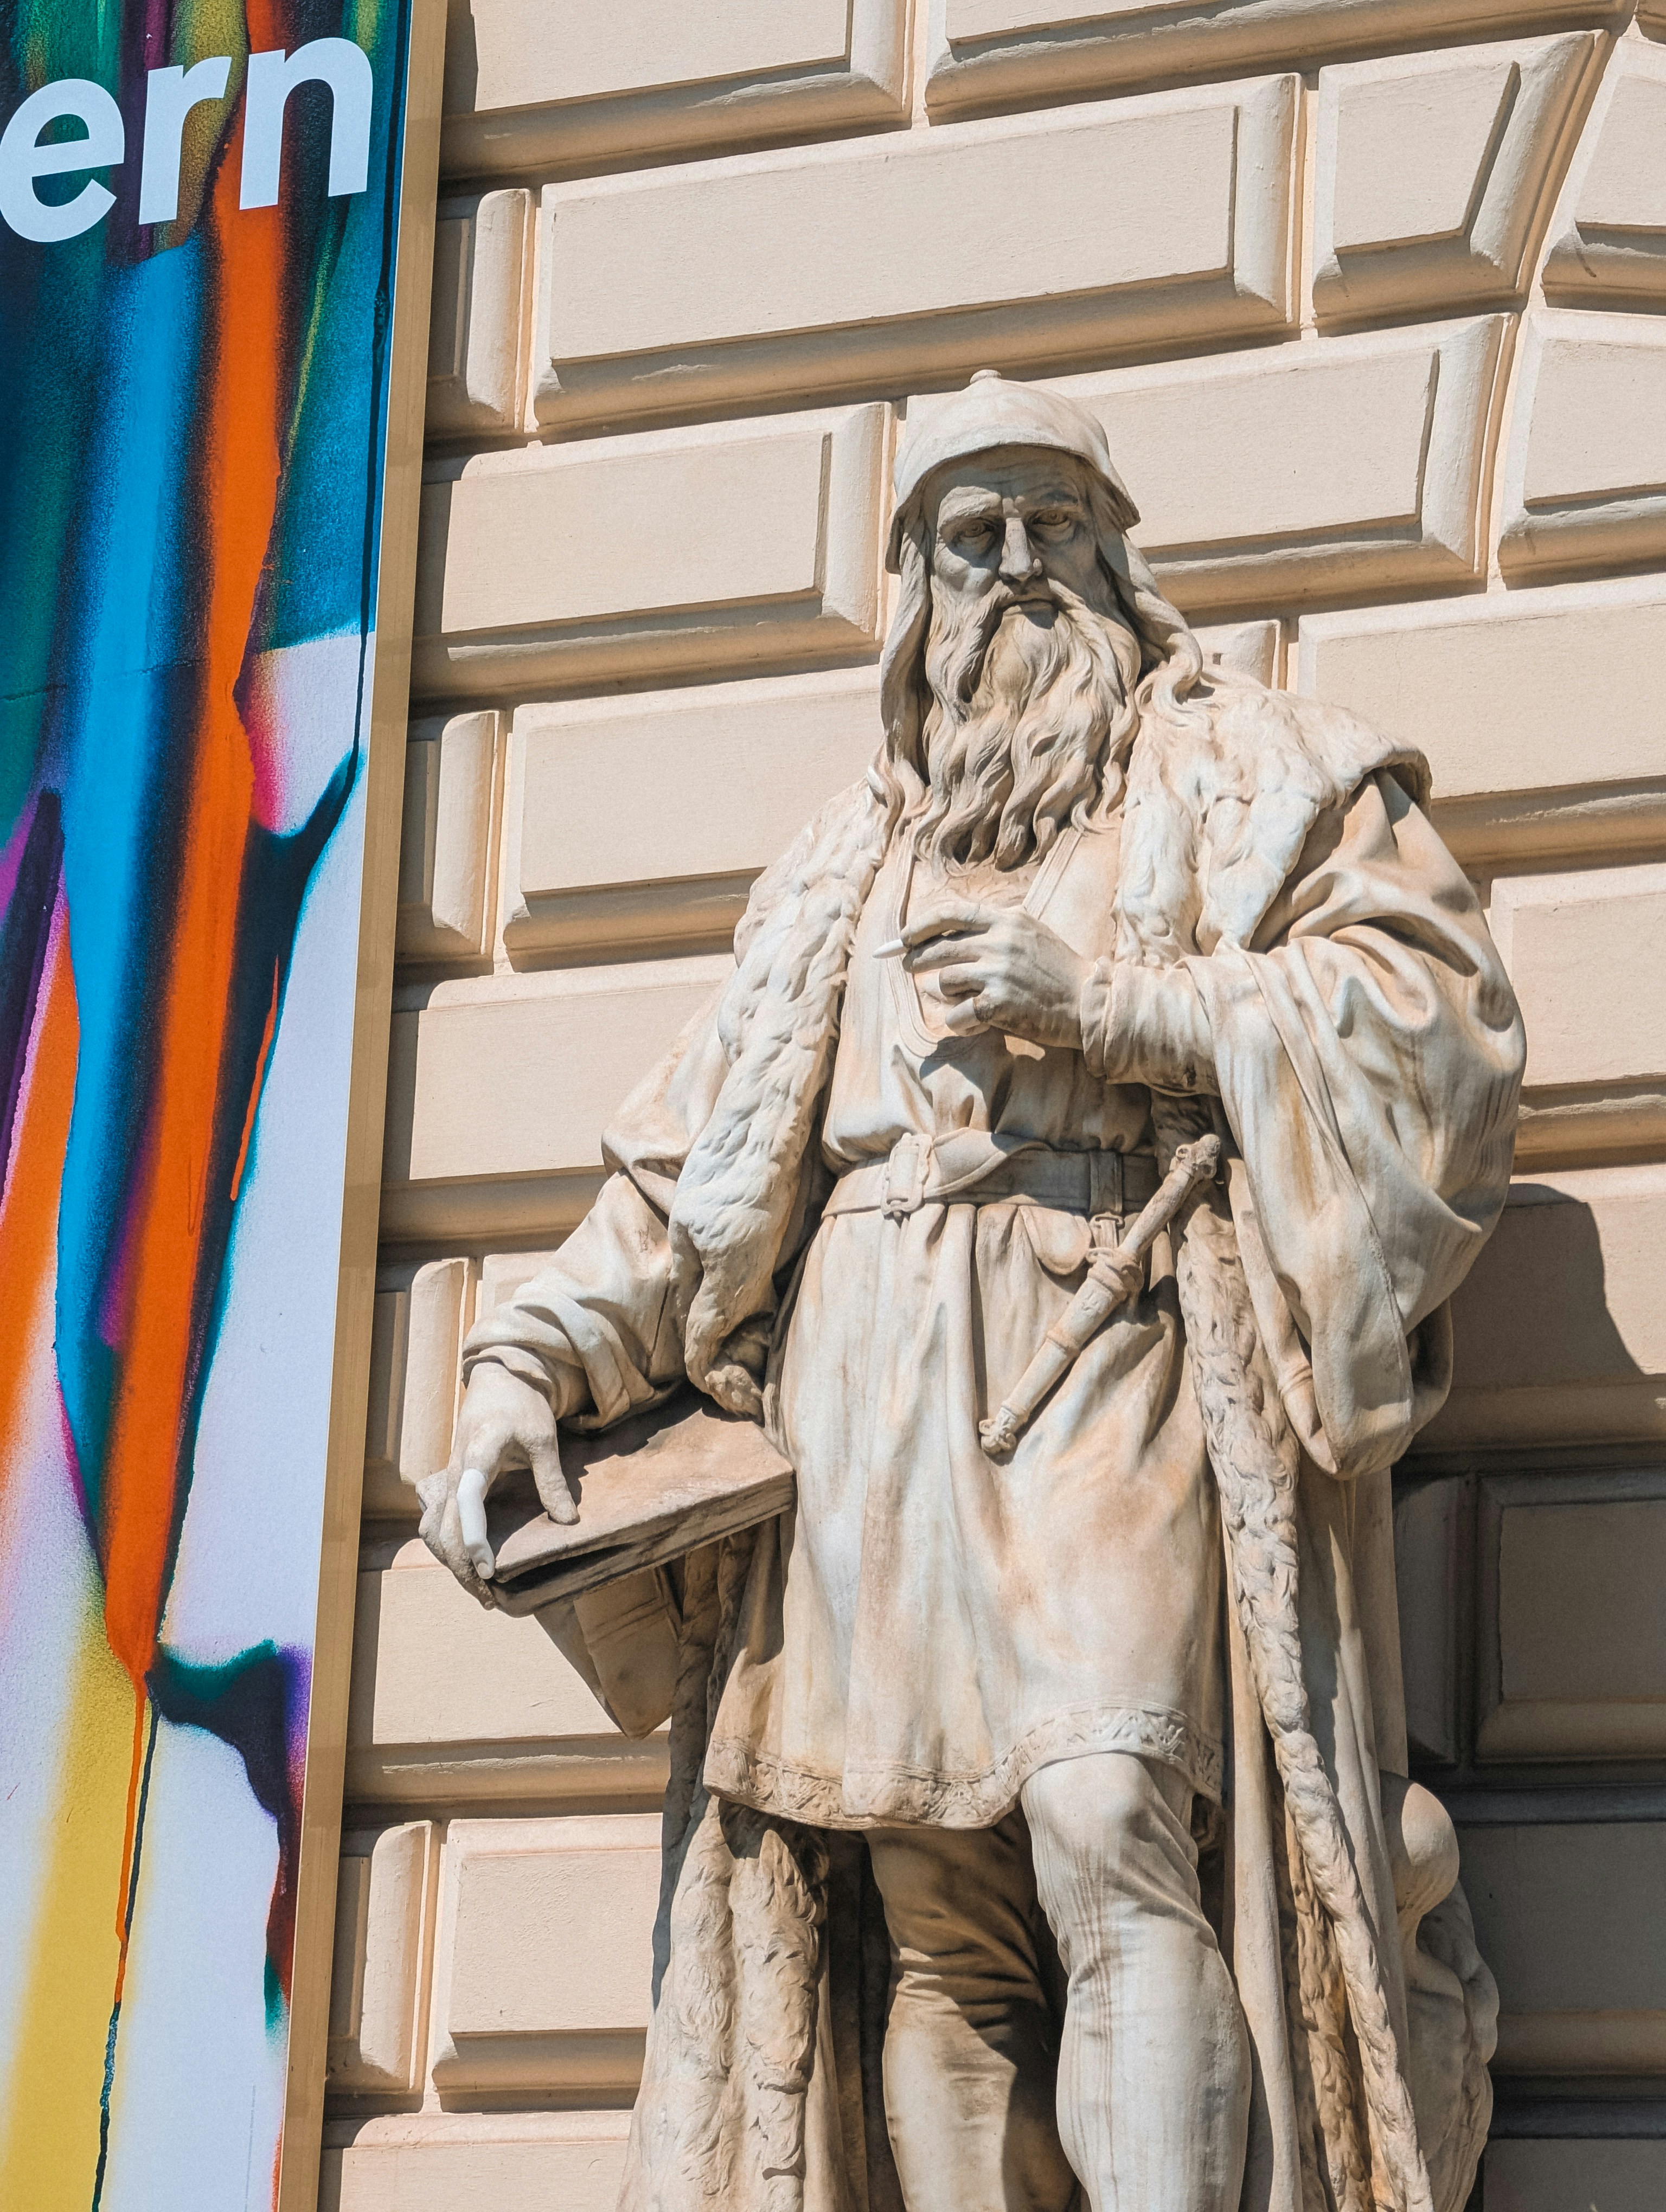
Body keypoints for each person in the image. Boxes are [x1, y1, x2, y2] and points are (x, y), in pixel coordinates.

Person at [419, 371, 1523, 2212]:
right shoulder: (839, 875)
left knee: (1108, 1816)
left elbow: (1438, 1029)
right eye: (969, 538)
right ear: (915, 592)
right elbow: (687, 1177)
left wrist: (1116, 1011)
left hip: (1100, 1357)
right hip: (870, 1411)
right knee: (926, 1905)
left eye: (1050, 531)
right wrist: (524, 1364)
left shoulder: (1242, 772)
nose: (1013, 578)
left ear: (1113, 558)